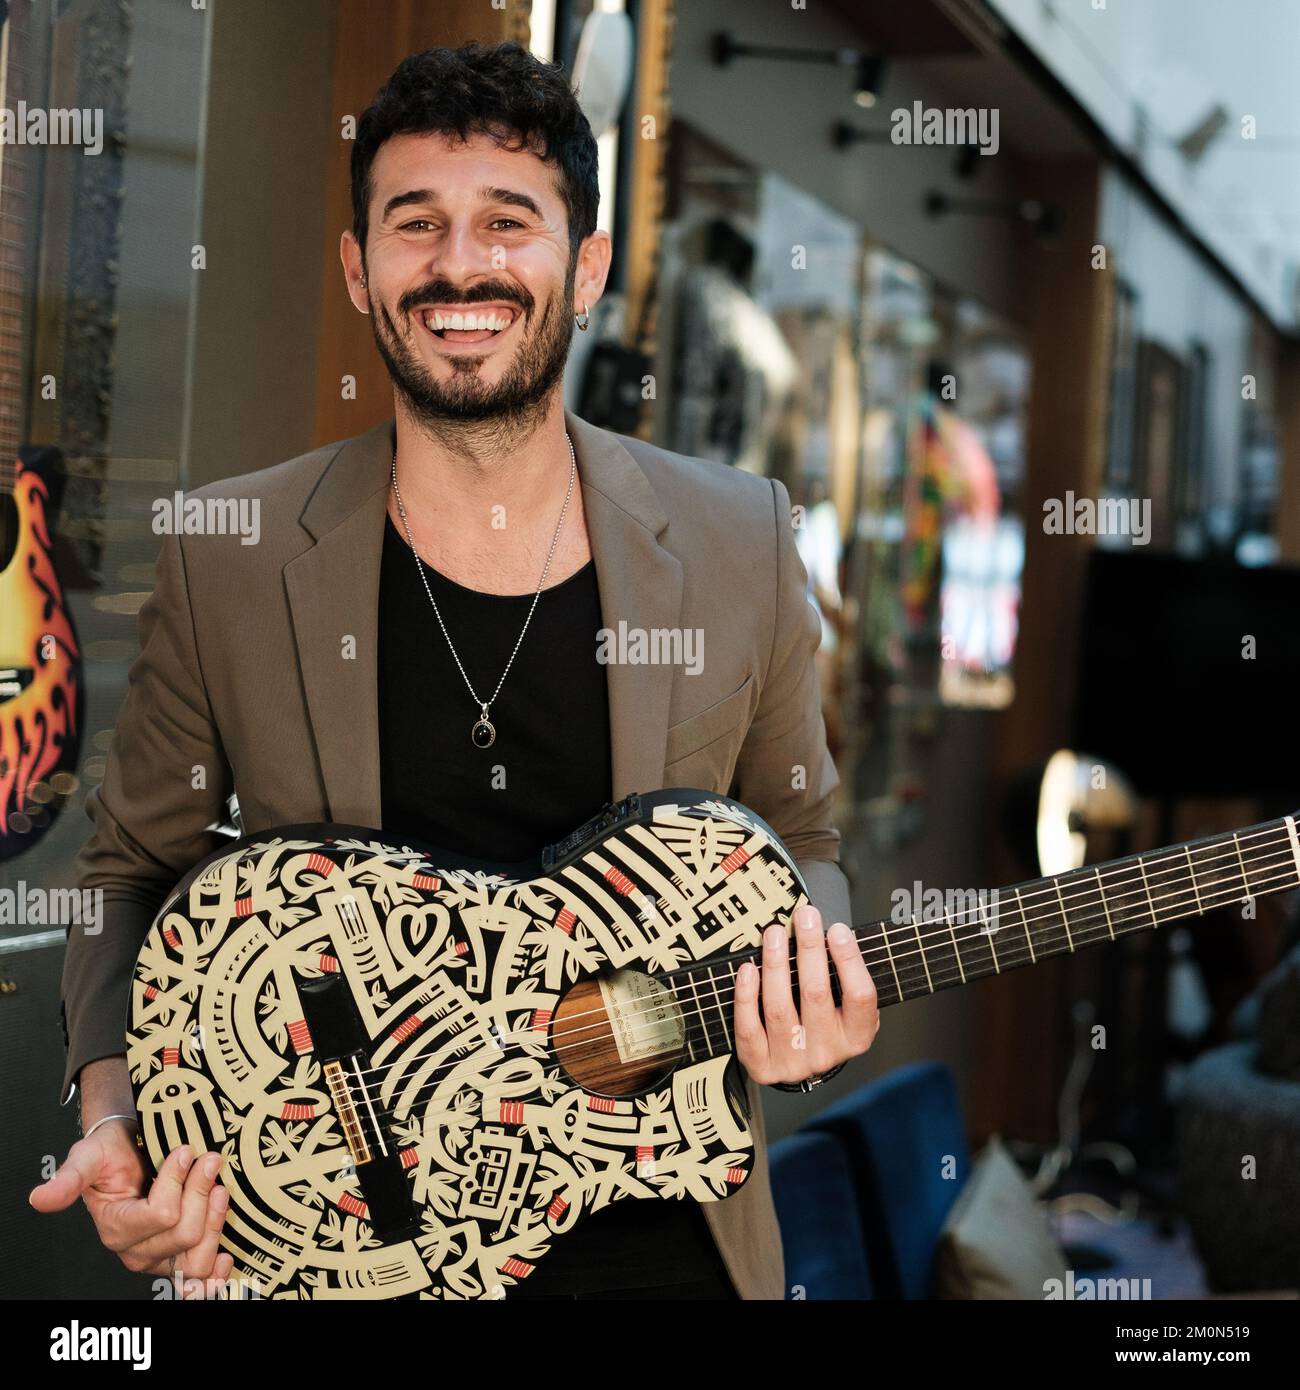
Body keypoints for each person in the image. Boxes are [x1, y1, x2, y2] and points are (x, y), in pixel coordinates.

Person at [30, 41, 879, 1300]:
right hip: (339, 1254)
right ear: (359, 271)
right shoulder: (235, 552)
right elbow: (126, 873)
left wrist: (817, 979)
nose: (460, 265)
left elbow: (800, 833)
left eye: (508, 222)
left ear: (586, 267)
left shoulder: (739, 536)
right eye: (413, 222)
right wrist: (113, 1108)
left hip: (661, 1255)